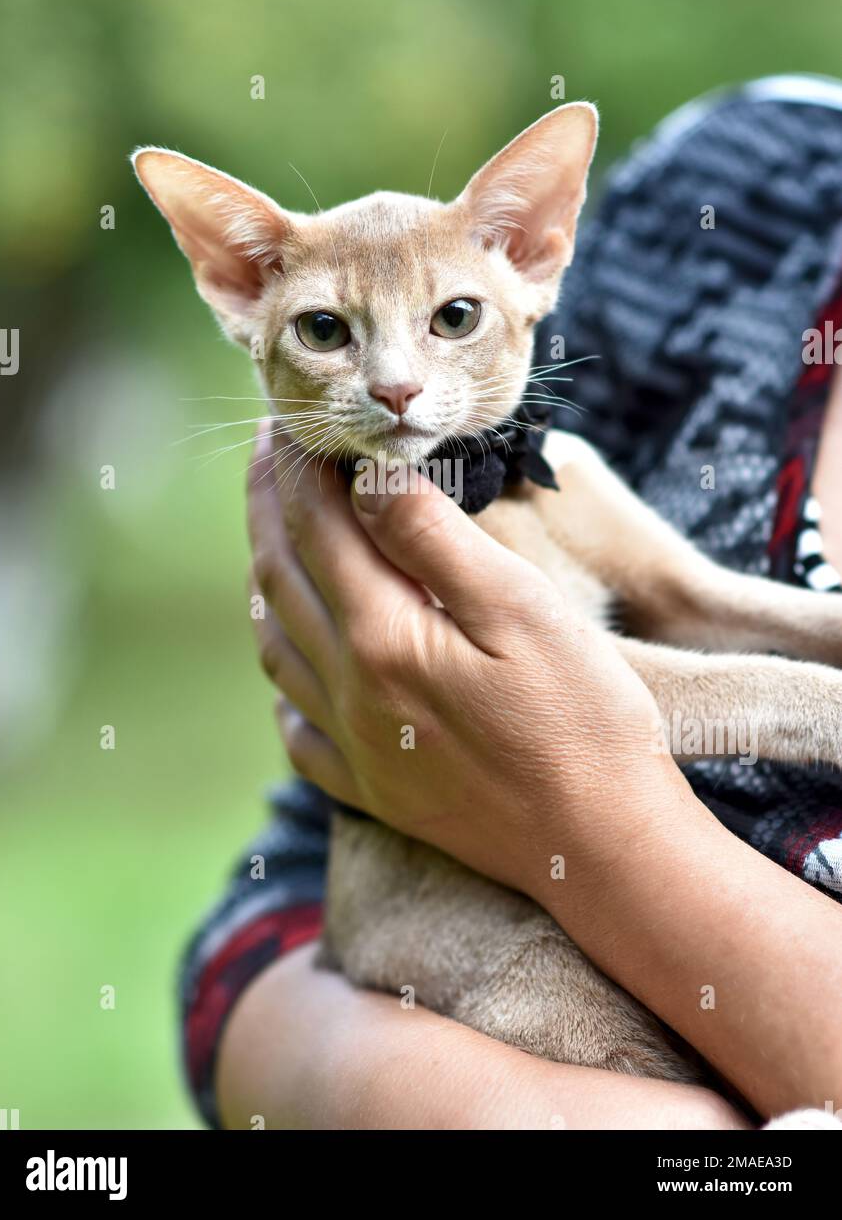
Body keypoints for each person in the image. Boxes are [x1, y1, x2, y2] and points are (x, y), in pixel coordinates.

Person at [181, 79, 842, 1129]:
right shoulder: (731, 183)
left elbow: (678, 619)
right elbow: (253, 929)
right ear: (238, 288)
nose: (395, 380)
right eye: (324, 329)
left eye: (450, 317)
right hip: (453, 939)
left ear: (529, 253)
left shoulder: (552, 466)